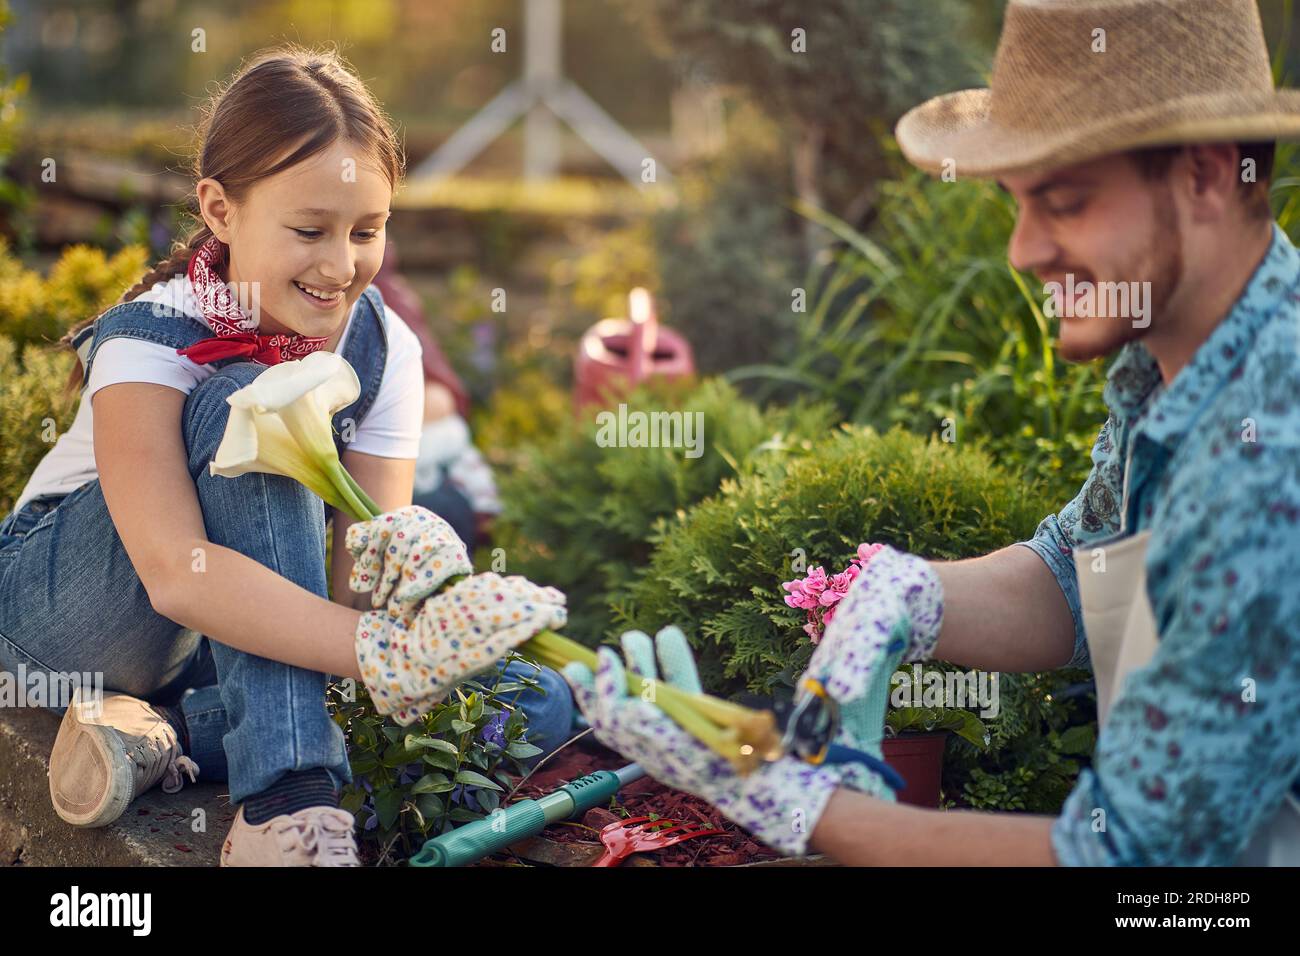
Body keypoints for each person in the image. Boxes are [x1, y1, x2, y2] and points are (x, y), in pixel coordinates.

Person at [560, 0, 1300, 866]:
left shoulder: (1269, 454)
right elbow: (1078, 566)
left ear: (1207, 177)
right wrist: (906, 595)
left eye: (1062, 202)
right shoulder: (1173, 360)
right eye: (1020, 205)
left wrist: (775, 796)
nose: (1023, 250)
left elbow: (1136, 864)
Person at [0, 44, 568, 867]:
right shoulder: (149, 337)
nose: (341, 267)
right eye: (309, 230)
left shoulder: (386, 347)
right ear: (220, 210)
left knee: (534, 700)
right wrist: (389, 657)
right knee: (246, 401)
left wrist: (425, 609)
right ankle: (283, 802)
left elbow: (345, 592)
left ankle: (162, 738)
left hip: (221, 646)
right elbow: (172, 571)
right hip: (69, 619)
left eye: (366, 231)